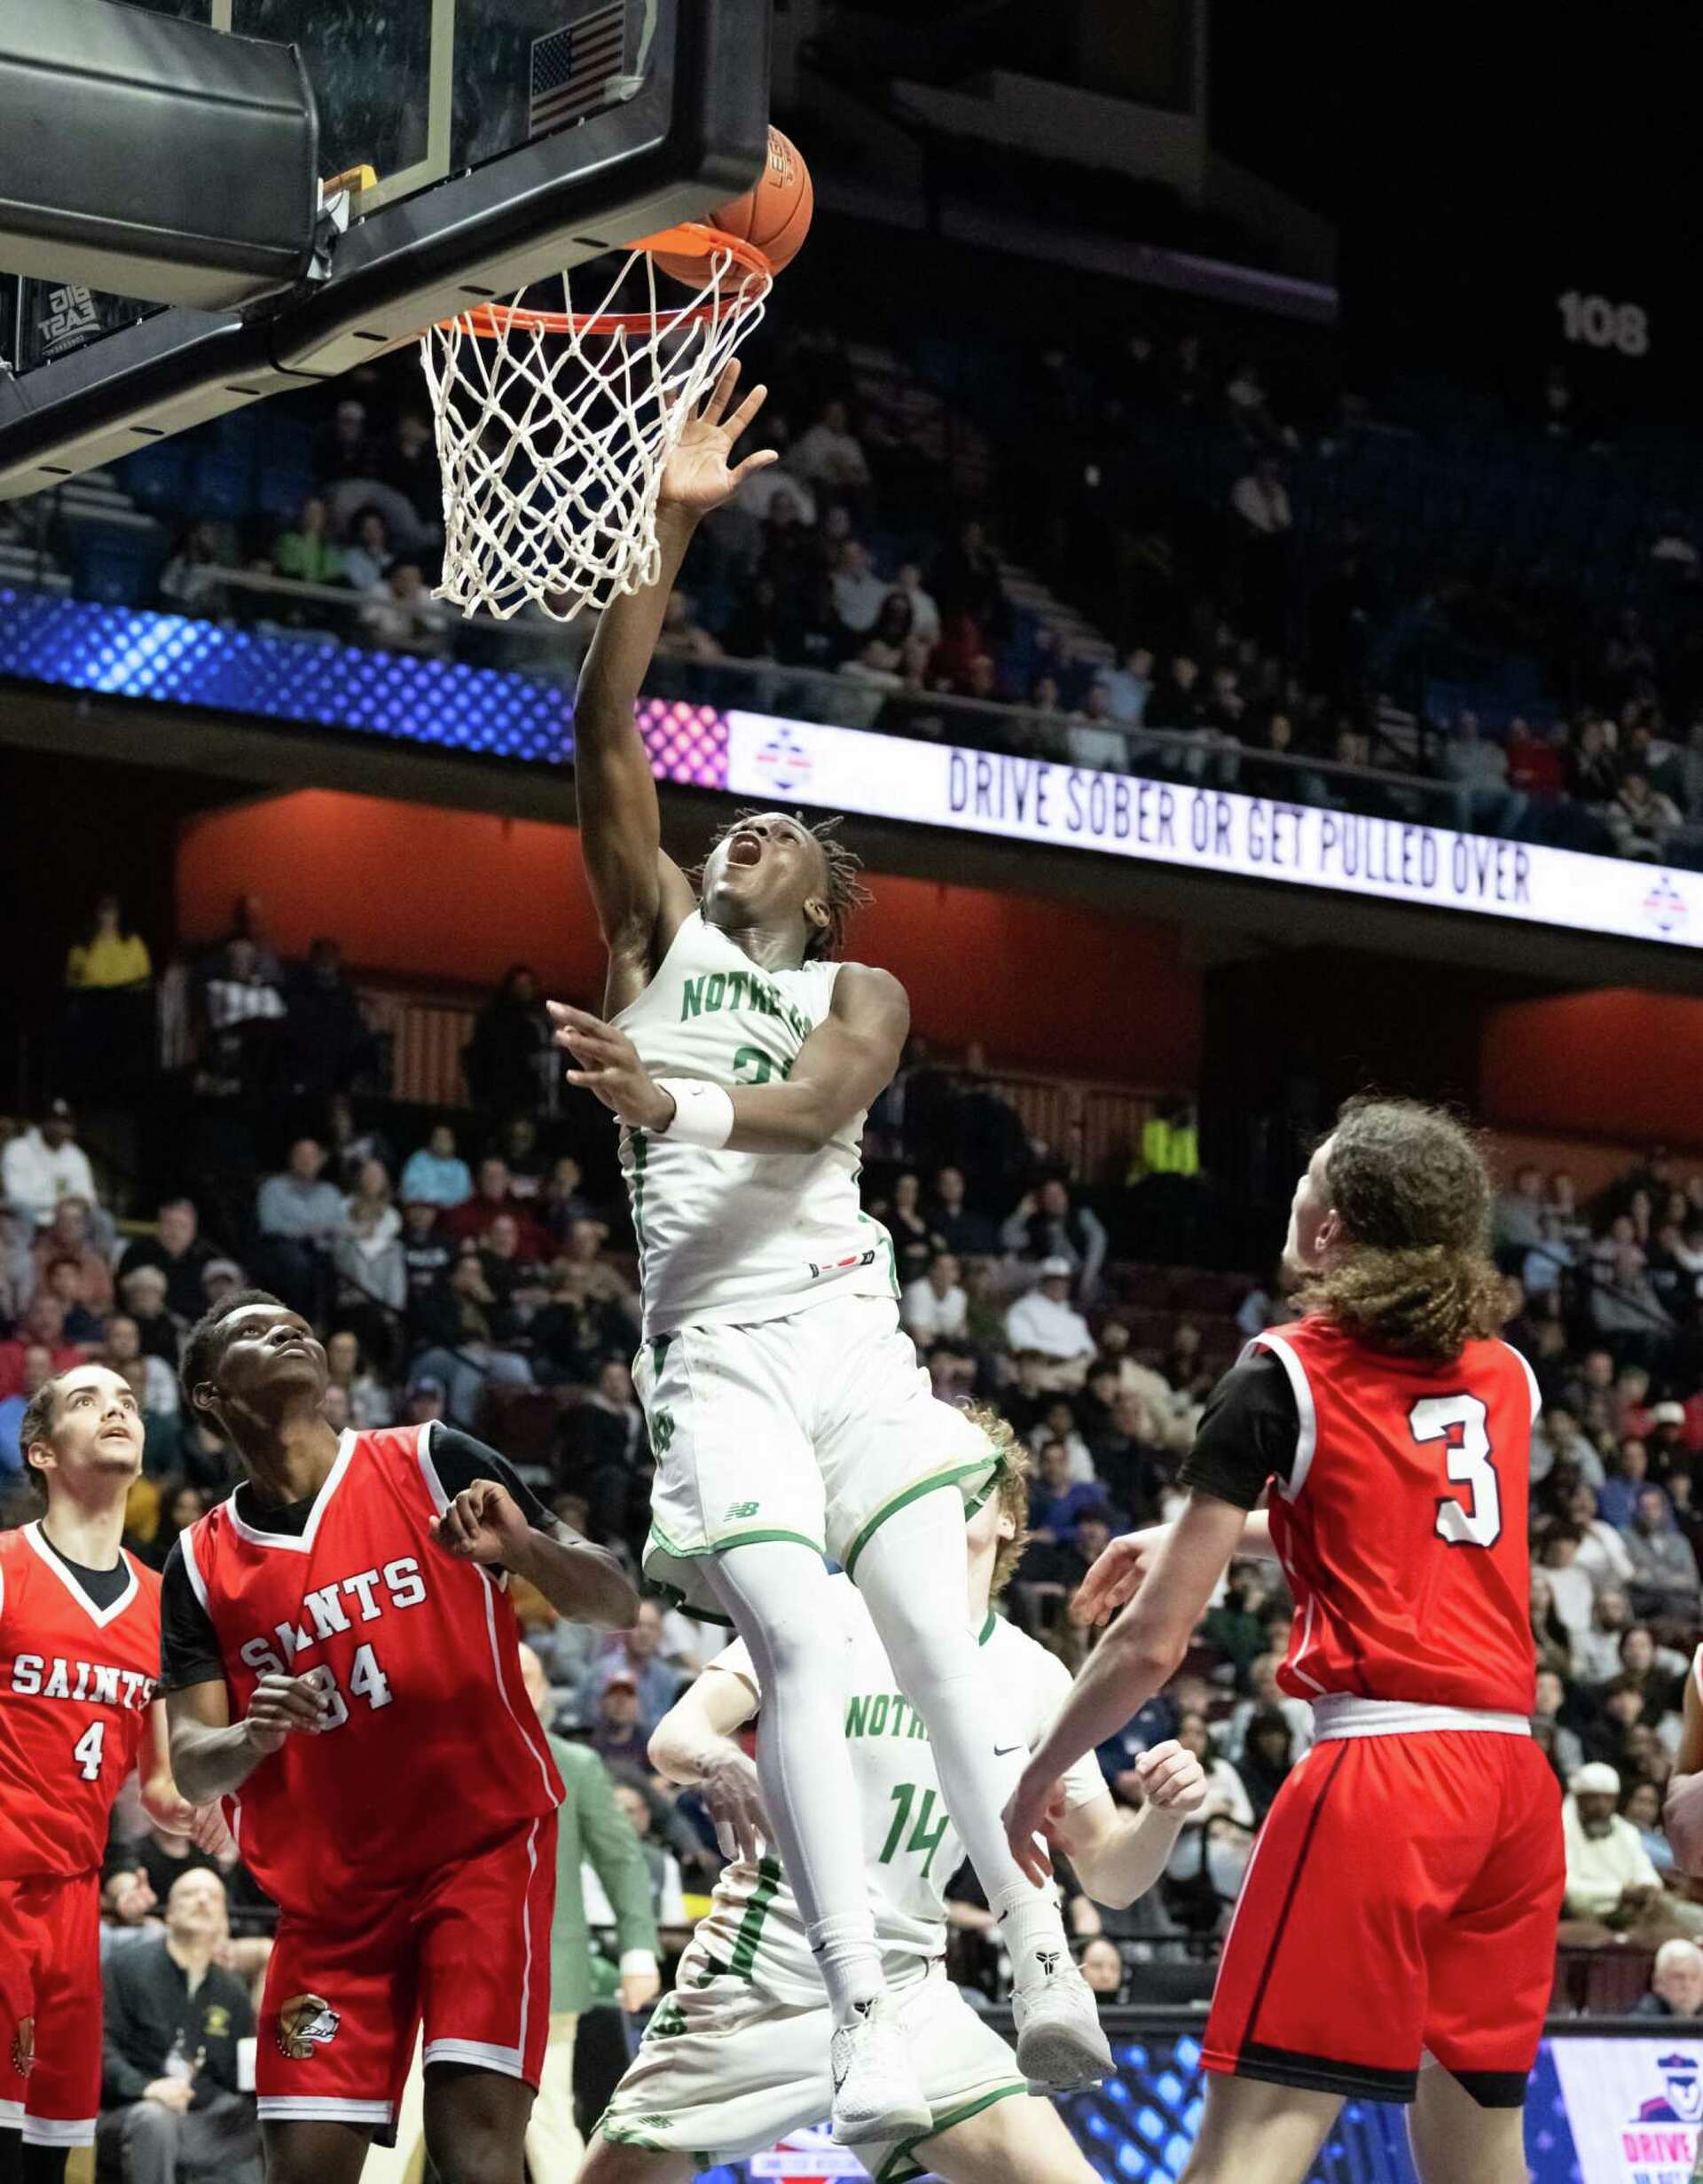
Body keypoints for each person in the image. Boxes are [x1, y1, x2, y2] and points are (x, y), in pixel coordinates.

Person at [543, 359, 1107, 2146]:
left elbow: (806, 1111)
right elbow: (605, 738)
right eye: (735, 830)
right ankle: (869, 2006)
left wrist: (669, 1107)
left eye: (776, 836)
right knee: (793, 1637)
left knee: (937, 1641)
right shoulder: (653, 937)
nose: (742, 835)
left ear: (822, 896)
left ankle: (1035, 1947)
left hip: (851, 1339)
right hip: (719, 1349)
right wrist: (667, 532)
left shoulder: (857, 989)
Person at [1004, 1097, 1566, 2184]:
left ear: (1331, 1228)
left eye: (1309, 1176)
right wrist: (1196, 1537)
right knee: (1480, 2154)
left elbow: (1148, 1647)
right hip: (1510, 1784)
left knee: (1253, 2144)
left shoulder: (1284, 1368)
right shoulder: (1508, 1374)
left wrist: (1041, 1771)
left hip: (1384, 1775)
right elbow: (1396, 1518)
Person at [583, 1425, 1206, 2183]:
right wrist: (719, 1759)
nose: (933, 1498)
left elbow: (1109, 1874)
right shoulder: (828, 1607)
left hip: (910, 1986)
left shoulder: (1033, 1674)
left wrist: (1164, 1814)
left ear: (1007, 1514)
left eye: (958, 1483)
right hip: (768, 1971)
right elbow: (676, 1735)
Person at [158, 1291, 639, 2184]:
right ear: (210, 1393)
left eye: (294, 1321)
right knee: (300, 2168)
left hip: (480, 1850)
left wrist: (524, 1548)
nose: (288, 1327)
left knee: (475, 2147)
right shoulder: (198, 1561)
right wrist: (254, 1733)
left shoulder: (431, 1456)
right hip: (333, 1900)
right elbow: (191, 1760)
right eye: (253, 1330)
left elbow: (614, 1596)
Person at [1, 1364, 216, 2184]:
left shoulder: (160, 1607)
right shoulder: (7, 1568)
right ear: (43, 1451)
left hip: (72, 1909)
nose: (116, 1409)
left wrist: (206, 1801)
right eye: (88, 1402)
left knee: (52, 2158)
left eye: (127, 1400)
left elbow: (159, 1788)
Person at [98, 1868, 260, 2184]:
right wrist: (146, 2087)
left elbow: (235, 2078)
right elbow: (100, 2045)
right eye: (189, 1894)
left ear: (223, 1919)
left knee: (260, 2120)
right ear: (169, 1913)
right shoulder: (125, 1967)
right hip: (134, 2110)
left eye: (213, 1897)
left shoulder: (232, 1991)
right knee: (156, 2121)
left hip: (204, 2119)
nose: (202, 1900)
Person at [2, 1102, 99, 1231]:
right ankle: (22, 1252)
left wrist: (73, 1204)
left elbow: (88, 1197)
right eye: (55, 1122)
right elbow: (17, 1198)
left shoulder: (76, 1156)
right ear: (43, 1123)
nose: (60, 1128)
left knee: (102, 1219)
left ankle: (100, 1252)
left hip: (67, 1219)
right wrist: (61, 1202)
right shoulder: (18, 1149)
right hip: (32, 1218)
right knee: (25, 1212)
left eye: (65, 1123)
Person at [1635, 1938, 1703, 2019]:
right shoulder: (1640, 2023)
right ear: (1658, 1982)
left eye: (1694, 1978)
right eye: (1678, 1977)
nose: (1687, 1985)